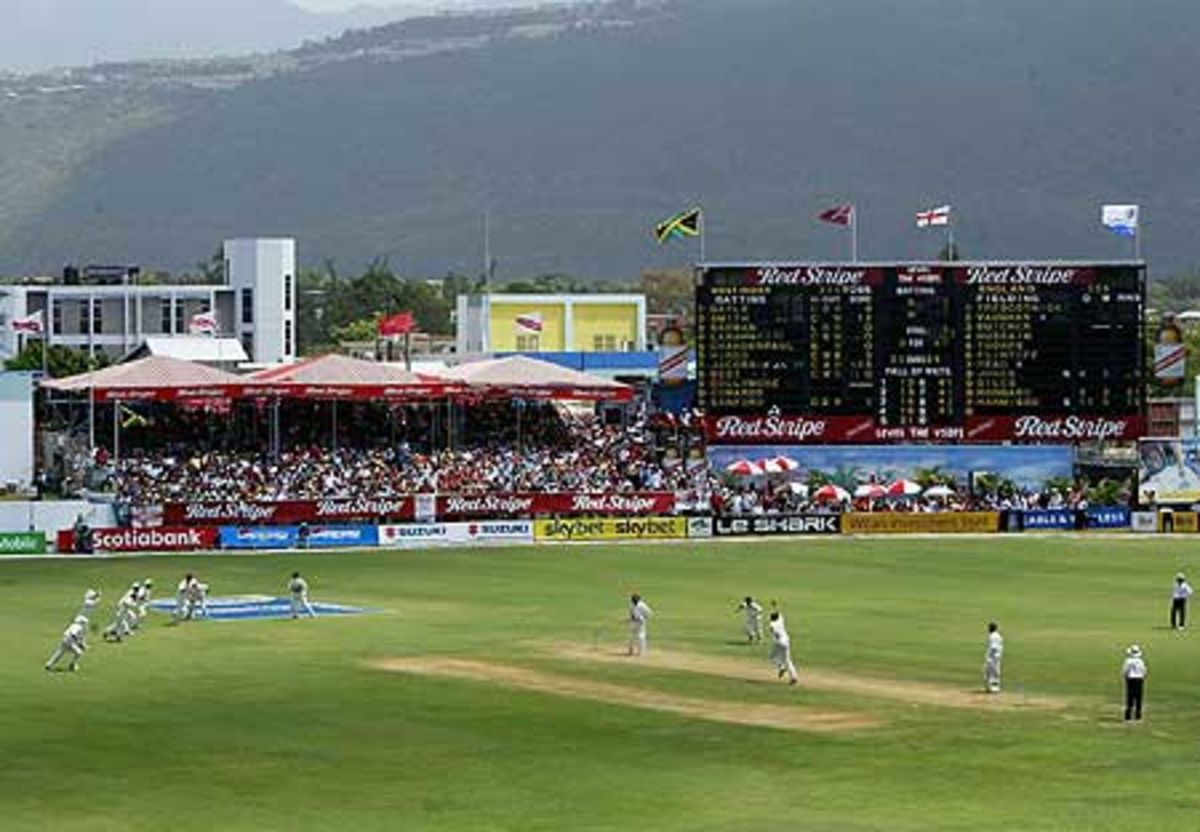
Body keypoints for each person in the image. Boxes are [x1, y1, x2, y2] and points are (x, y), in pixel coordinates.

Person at [768, 611, 798, 685]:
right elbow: (779, 614)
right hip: (786, 641)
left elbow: (774, 632)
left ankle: (781, 667)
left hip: (778, 643)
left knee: (772, 657)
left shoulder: (772, 624)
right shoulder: (781, 620)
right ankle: (794, 677)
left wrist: (775, 635)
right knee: (787, 660)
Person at [1122, 644, 1147, 722]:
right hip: (1139, 679)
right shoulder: (1141, 661)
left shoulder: (1128, 661)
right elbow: (1144, 671)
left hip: (1130, 679)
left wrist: (1125, 677)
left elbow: (1125, 671)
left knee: (1130, 698)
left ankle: (1128, 717)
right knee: (1139, 698)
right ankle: (1138, 716)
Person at [984, 621, 1004, 693]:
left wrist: (989, 657)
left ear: (991, 628)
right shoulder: (998, 636)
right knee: (995, 672)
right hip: (997, 657)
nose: (988, 629)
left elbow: (993, 648)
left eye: (989, 627)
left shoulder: (992, 636)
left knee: (991, 672)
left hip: (993, 657)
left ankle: (992, 688)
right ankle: (995, 688)